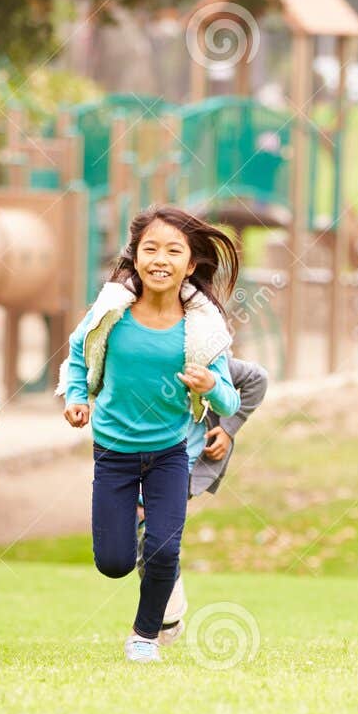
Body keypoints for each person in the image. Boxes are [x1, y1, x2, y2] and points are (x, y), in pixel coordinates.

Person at [60, 206, 240, 663]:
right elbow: (80, 356)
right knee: (115, 562)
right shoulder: (111, 311)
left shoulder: (201, 327)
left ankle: (145, 635)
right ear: (135, 257)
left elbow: (231, 403)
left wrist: (211, 386)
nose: (161, 259)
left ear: (191, 263)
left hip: (170, 453)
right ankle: (145, 566)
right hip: (113, 452)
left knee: (164, 548)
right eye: (151, 249)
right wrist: (76, 397)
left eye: (173, 250)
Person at [149, 355, 270, 644]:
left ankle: (160, 620)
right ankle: (167, 613)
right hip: (136, 456)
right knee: (139, 544)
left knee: (154, 536)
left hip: (184, 463)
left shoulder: (203, 356)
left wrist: (228, 428)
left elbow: (257, 379)